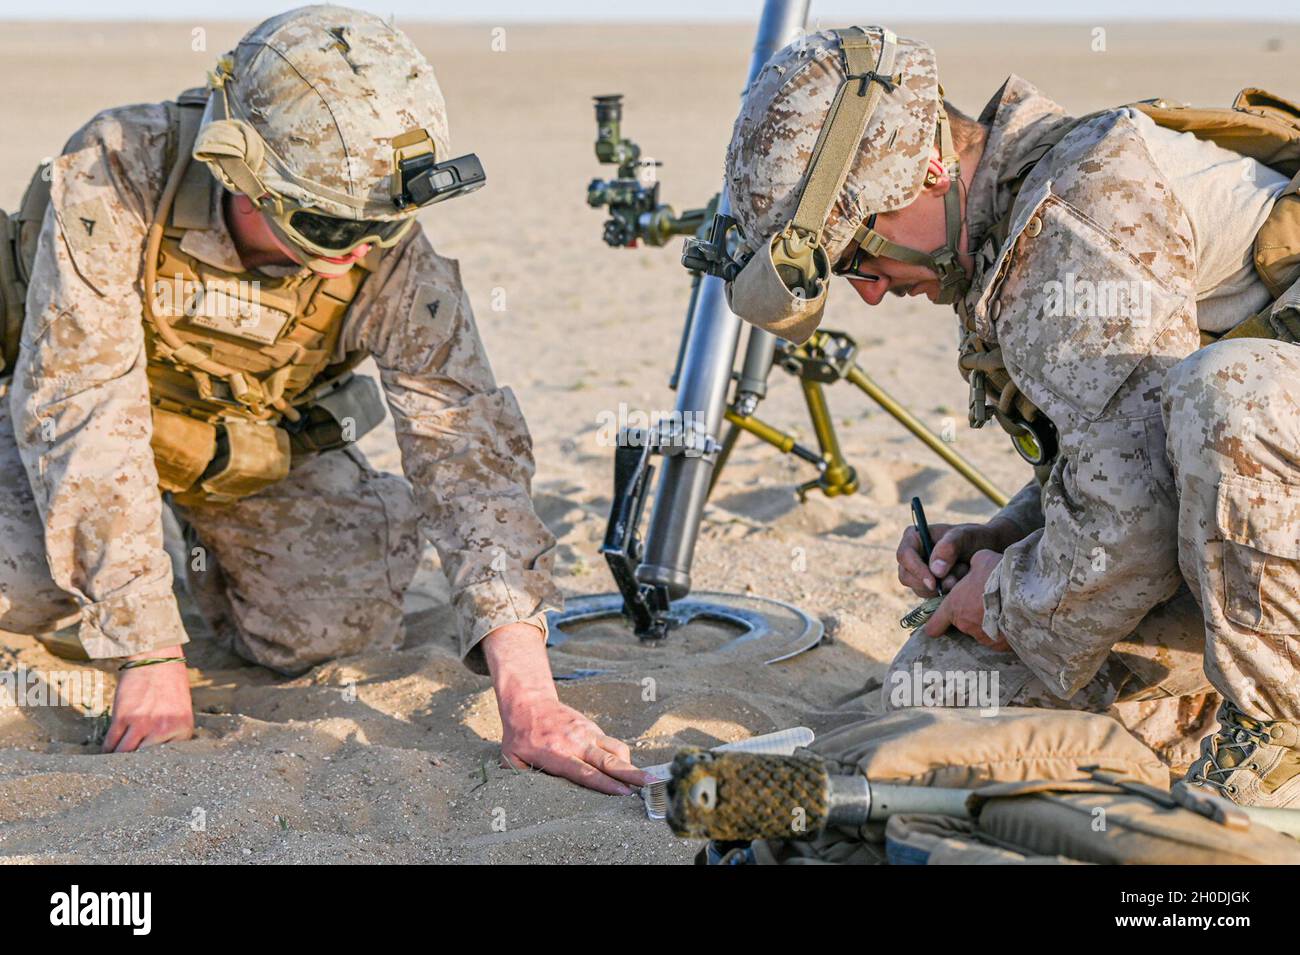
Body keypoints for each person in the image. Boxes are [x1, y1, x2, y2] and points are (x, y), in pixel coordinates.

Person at [0, 5, 650, 797]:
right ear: (238, 170)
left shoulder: (378, 241)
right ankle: (131, 571)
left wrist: (531, 699)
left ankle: (181, 556)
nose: (350, 258)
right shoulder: (120, 170)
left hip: (243, 452)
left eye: (377, 229)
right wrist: (148, 654)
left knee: (330, 622)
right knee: (19, 587)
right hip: (68, 423)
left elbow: (465, 447)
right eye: (320, 225)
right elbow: (81, 409)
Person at [720, 25, 1300, 807]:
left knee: (1233, 392)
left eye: (857, 255)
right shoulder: (1007, 231)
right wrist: (1006, 535)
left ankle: (1279, 734)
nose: (868, 289)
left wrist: (1000, 594)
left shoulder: (1077, 212)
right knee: (938, 689)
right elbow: (1127, 448)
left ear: (925, 172)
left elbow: (1141, 507)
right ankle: (1206, 708)